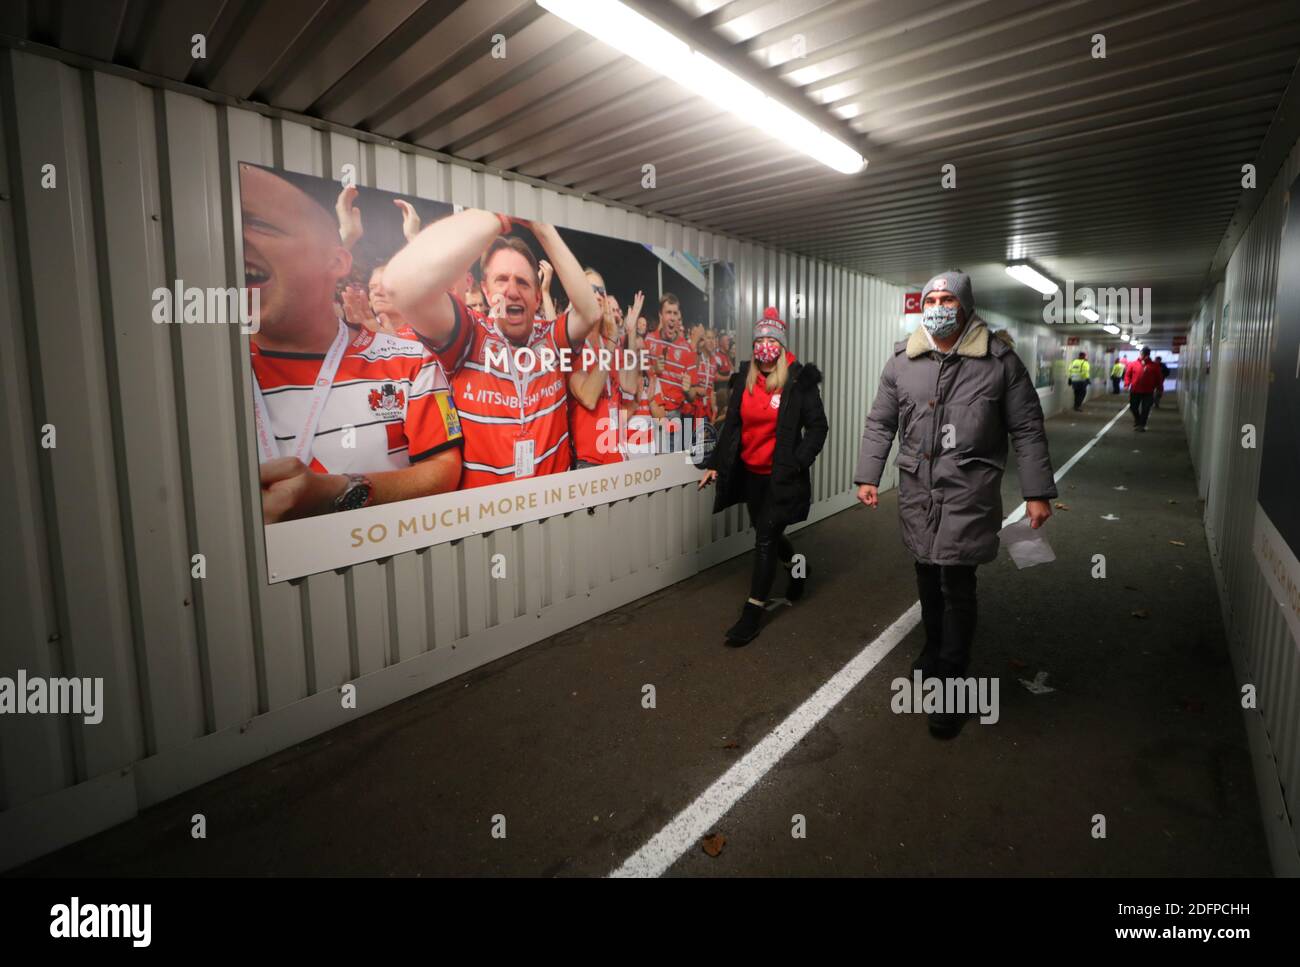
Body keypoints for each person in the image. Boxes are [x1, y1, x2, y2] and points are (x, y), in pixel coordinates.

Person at [854, 271, 1055, 737]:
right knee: (927, 573)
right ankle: (932, 647)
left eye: (947, 298)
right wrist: (868, 475)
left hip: (968, 488)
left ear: (965, 306)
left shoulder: (999, 361)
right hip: (917, 490)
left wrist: (1036, 491)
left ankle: (952, 682)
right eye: (932, 298)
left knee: (957, 583)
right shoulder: (903, 360)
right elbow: (881, 423)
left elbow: (1026, 428)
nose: (939, 305)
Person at [239, 164, 464, 522]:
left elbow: (444, 471)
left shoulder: (409, 359)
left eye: (261, 224)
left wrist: (340, 492)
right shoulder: (199, 370)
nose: (238, 239)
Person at [382, 209, 601, 488]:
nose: (512, 291)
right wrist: (496, 219)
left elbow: (590, 313)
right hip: (486, 523)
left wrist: (542, 227)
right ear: (486, 290)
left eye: (523, 282)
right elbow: (401, 287)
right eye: (502, 280)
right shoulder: (469, 334)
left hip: (552, 514)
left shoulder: (552, 339)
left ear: (537, 297)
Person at [700, 307, 828, 646]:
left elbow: (818, 427)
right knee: (764, 532)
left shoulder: (799, 382)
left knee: (765, 539)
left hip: (780, 477)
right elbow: (733, 426)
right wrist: (715, 463)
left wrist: (797, 462)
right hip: (751, 474)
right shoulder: (744, 379)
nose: (765, 346)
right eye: (760, 340)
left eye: (772, 340)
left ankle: (753, 613)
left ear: (782, 346)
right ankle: (799, 567)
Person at [567, 275, 643, 468]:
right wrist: (611, 342)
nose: (598, 295)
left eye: (601, 290)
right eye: (590, 288)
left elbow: (630, 385)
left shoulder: (608, 343)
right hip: (589, 460)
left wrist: (631, 333)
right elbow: (588, 398)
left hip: (615, 452)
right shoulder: (572, 345)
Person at [644, 294, 696, 449]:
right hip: (650, 413)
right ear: (661, 315)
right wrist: (654, 369)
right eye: (668, 312)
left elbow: (692, 396)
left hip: (674, 416)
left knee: (671, 468)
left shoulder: (687, 350)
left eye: (675, 313)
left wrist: (688, 390)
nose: (672, 318)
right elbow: (637, 377)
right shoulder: (649, 341)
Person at [1124, 347, 1162, 431]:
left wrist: (1160, 388)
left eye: (1145, 355)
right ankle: (1138, 420)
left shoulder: (1154, 366)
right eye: (1142, 354)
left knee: (1146, 408)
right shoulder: (1133, 364)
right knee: (1133, 407)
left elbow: (1159, 378)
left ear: (1148, 355)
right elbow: (1127, 375)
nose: (1143, 356)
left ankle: (1142, 424)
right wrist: (1127, 384)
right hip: (1135, 390)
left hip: (1148, 391)